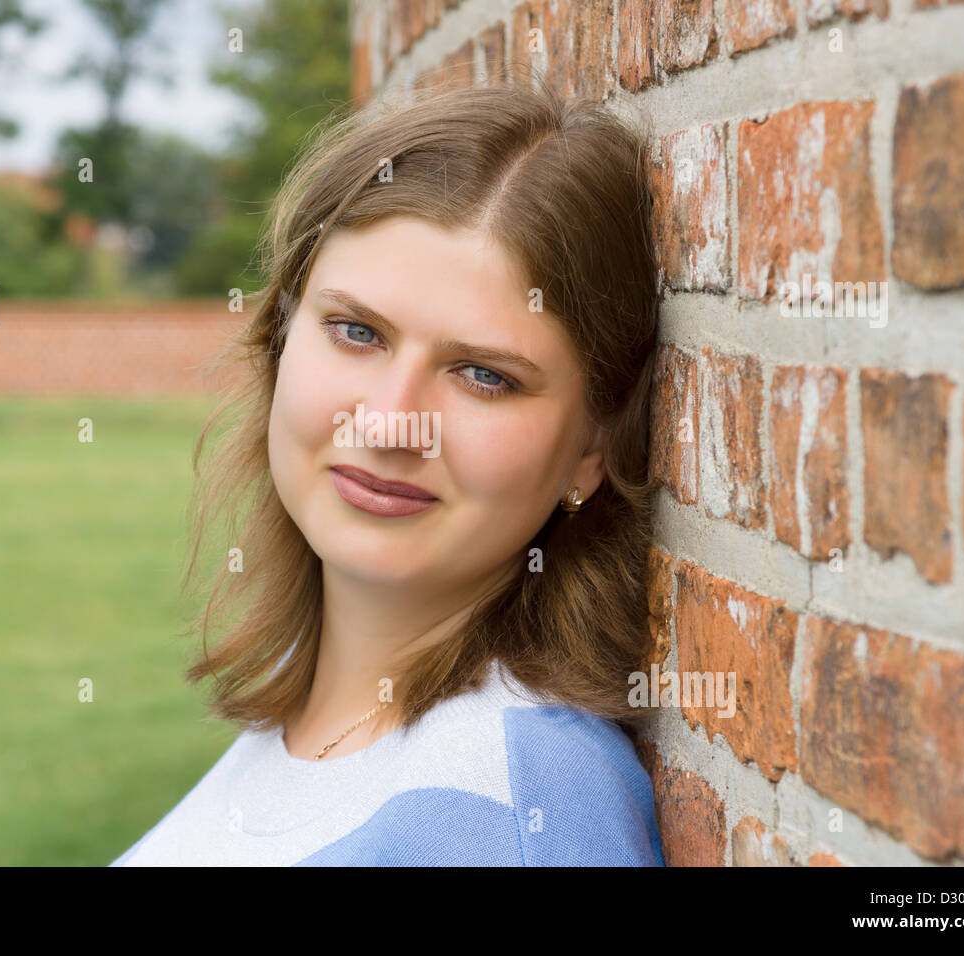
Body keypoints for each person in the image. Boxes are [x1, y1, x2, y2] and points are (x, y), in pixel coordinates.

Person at [112, 73, 666, 866]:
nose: (387, 421)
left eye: (485, 376)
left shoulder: (511, 807)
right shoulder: (301, 703)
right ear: (279, 339)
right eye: (356, 332)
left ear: (591, 449)